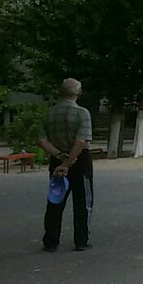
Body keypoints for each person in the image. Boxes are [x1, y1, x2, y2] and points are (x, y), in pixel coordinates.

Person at [37, 78, 94, 252]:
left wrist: (59, 156)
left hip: (57, 160)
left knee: (55, 199)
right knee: (83, 201)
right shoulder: (82, 113)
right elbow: (80, 141)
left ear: (60, 92)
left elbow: (41, 140)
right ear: (78, 93)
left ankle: (51, 240)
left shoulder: (49, 113)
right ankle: (81, 240)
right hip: (80, 161)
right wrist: (68, 163)